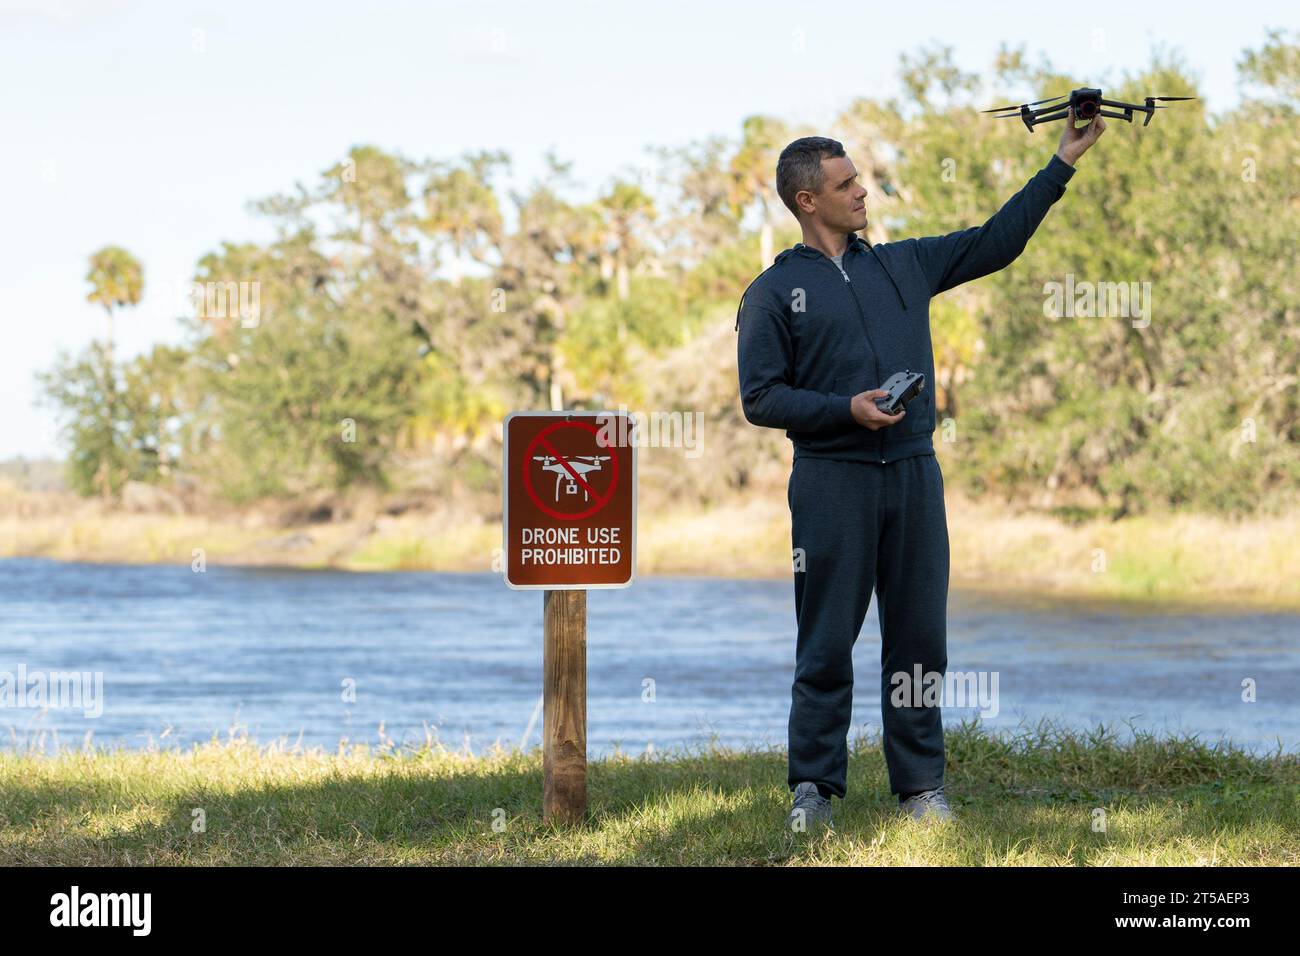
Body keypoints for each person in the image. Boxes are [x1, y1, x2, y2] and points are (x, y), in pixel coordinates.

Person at [735, 109, 1105, 831]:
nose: (861, 192)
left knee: (917, 642)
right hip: (831, 482)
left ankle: (920, 789)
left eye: (859, 179)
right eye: (845, 185)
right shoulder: (774, 293)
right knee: (825, 641)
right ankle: (813, 790)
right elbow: (761, 398)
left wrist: (1063, 161)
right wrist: (847, 409)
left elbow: (996, 242)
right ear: (807, 201)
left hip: (912, 473)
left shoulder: (903, 263)